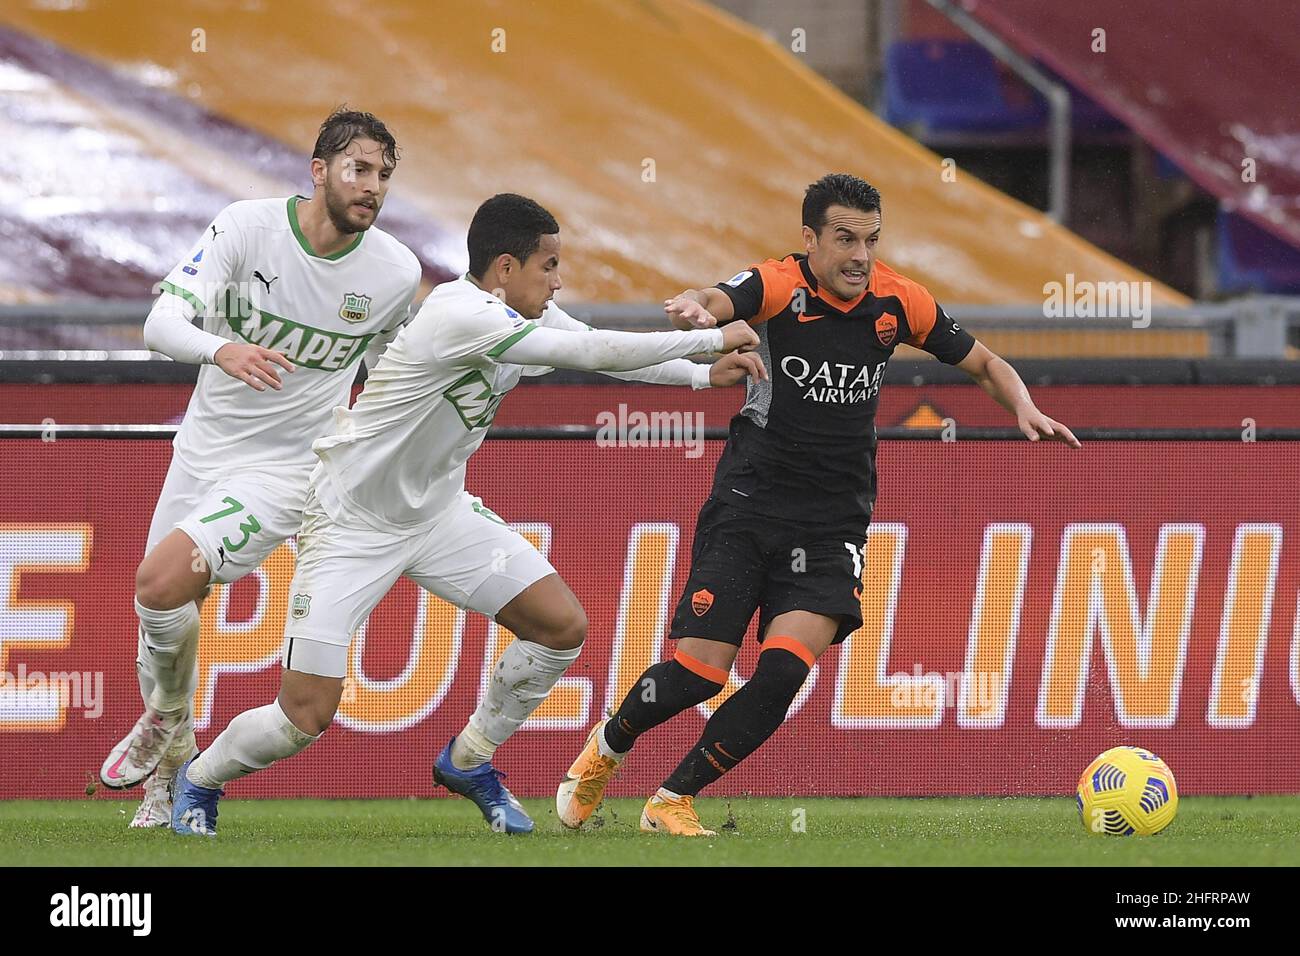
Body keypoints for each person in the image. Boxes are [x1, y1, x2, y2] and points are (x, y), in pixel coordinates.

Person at [170, 193, 765, 836]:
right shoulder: (460, 314)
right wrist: (709, 339)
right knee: (303, 717)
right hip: (350, 525)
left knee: (560, 627)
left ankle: (469, 759)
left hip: (437, 516)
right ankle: (199, 780)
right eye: (549, 265)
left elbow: (593, 344)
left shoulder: (518, 311)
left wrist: (703, 379)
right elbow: (594, 357)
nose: (558, 279)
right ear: (505, 267)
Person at [557, 172, 1080, 836]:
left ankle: (671, 801)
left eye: (870, 239)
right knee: (697, 672)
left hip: (833, 520)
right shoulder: (780, 285)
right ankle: (609, 746)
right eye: (844, 239)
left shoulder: (900, 302)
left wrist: (1025, 406)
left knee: (782, 671)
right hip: (748, 505)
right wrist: (697, 306)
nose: (860, 255)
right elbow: (722, 295)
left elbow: (982, 363)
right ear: (810, 240)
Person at [99, 109, 423, 828]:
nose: (372, 187)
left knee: (165, 578)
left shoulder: (395, 272)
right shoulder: (245, 229)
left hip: (288, 469)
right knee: (160, 611)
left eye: (383, 176)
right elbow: (159, 325)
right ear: (319, 171)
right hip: (202, 451)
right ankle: (170, 746)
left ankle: (165, 730)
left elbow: (393, 379)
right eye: (359, 169)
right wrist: (224, 350)